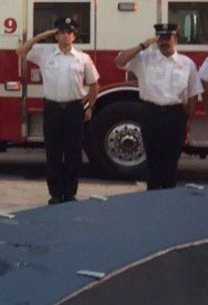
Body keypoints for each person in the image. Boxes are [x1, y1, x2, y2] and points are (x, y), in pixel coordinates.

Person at [17, 18, 99, 204]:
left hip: (74, 109)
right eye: (61, 32)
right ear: (56, 35)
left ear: (74, 36)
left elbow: (94, 85)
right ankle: (55, 193)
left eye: (69, 32)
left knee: (73, 153)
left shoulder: (83, 58)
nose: (65, 35)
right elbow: (21, 51)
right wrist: (41, 36)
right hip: (53, 109)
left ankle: (70, 194)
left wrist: (91, 106)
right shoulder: (45, 54)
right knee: (53, 153)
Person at [116, 23, 202, 190]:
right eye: (161, 38)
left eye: (168, 37)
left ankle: (168, 199)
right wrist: (143, 45)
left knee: (172, 161)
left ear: (176, 39)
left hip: (175, 115)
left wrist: (188, 121)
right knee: (153, 161)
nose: (164, 41)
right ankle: (153, 199)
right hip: (151, 113)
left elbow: (192, 95)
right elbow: (119, 61)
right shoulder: (145, 58)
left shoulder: (187, 63)